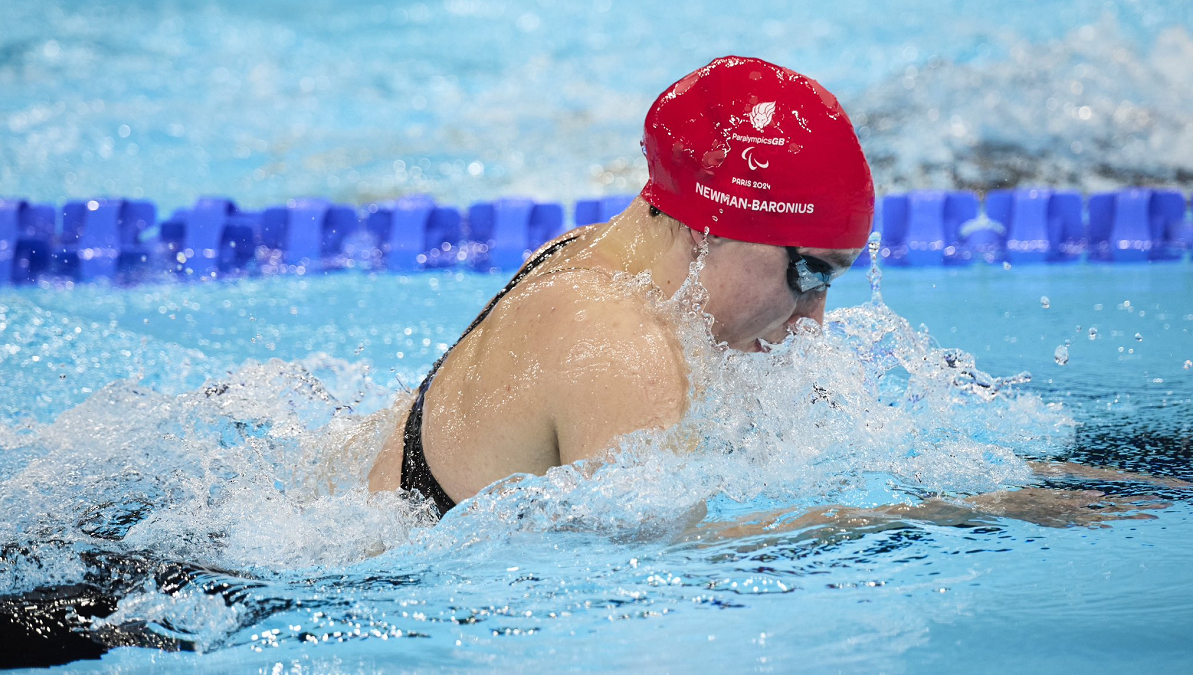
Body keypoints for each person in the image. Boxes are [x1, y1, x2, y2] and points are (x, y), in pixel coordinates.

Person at [367, 55, 875, 515]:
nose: (812, 322)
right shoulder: (620, 344)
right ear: (713, 227)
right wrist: (884, 526)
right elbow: (670, 570)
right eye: (810, 272)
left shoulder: (581, 254)